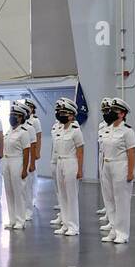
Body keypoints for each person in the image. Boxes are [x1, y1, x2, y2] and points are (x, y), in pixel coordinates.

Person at [98, 98, 135, 244]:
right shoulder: (106, 129)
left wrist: (131, 172)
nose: (111, 113)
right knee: (109, 200)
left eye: (115, 111)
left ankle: (122, 233)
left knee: (122, 201)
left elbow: (131, 152)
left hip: (120, 166)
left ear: (122, 114)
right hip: (106, 165)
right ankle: (113, 229)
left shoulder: (127, 131)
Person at [50, 97, 84, 236]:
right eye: (60, 113)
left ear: (71, 115)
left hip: (71, 162)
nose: (61, 115)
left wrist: (80, 169)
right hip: (59, 162)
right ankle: (65, 223)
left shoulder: (75, 130)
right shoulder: (60, 129)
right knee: (62, 196)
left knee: (71, 196)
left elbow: (80, 150)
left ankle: (74, 226)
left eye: (64, 113)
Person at [1, 103, 33, 230]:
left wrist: (25, 168)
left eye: (14, 115)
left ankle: (20, 220)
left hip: (17, 161)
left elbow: (27, 151)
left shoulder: (23, 132)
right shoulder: (9, 131)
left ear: (20, 118)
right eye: (11, 115)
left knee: (19, 192)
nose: (11, 117)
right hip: (7, 161)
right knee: (9, 192)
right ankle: (12, 220)